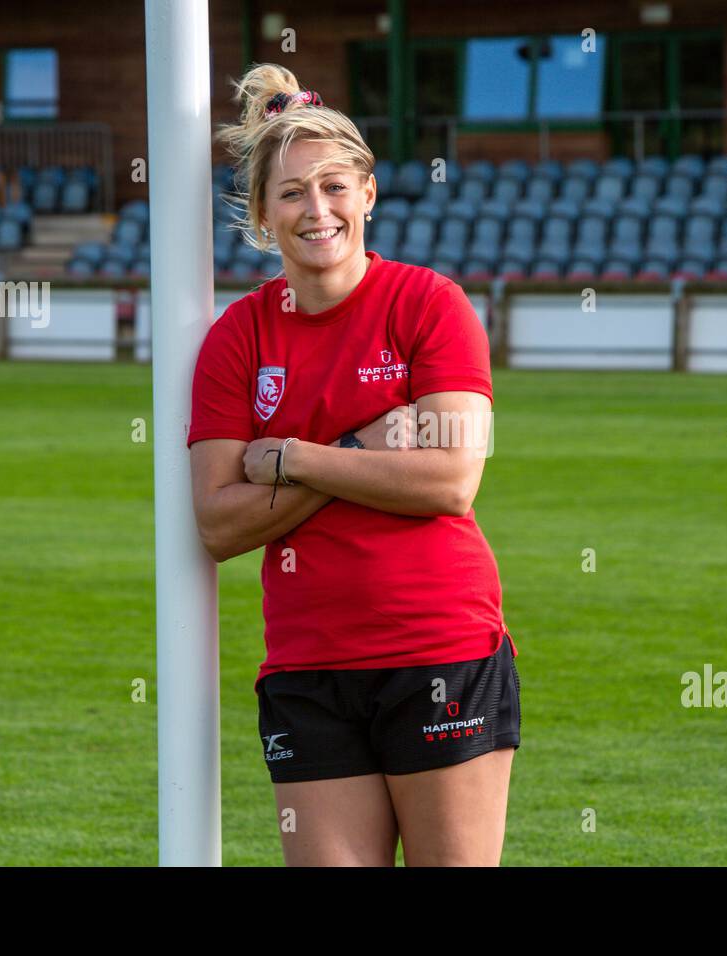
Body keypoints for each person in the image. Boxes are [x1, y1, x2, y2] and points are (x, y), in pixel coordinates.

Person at [187, 63, 520, 867]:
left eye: (334, 186)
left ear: (367, 193)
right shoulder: (238, 337)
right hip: (307, 667)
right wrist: (365, 447)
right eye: (293, 192)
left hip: (438, 646)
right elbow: (219, 523)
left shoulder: (429, 305)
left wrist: (294, 459)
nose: (317, 210)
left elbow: (449, 481)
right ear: (264, 214)